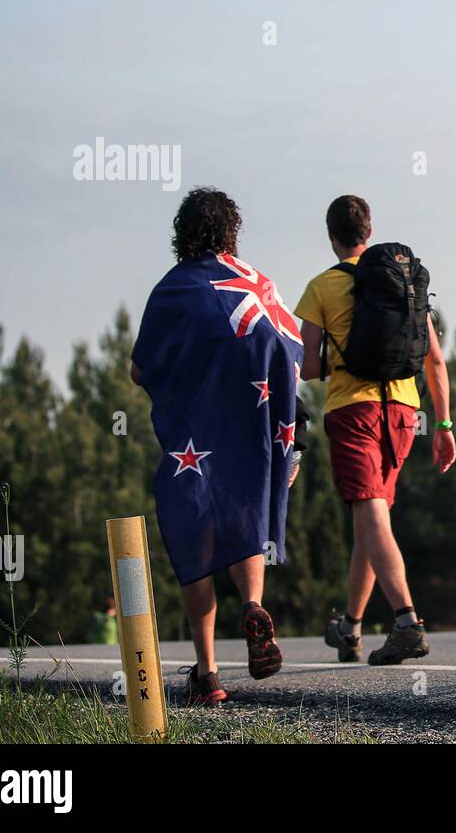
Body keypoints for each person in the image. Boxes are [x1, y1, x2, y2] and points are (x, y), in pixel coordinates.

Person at [132, 187, 305, 703]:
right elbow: (294, 357)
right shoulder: (260, 284)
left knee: (195, 543)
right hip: (255, 441)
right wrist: (287, 446)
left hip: (195, 449)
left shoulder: (175, 289)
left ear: (182, 234)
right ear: (232, 231)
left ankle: (208, 675)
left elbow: (140, 368)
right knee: (247, 528)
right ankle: (252, 604)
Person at [296, 195, 456, 666]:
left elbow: (308, 367)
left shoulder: (321, 286)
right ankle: (350, 627)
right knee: (373, 516)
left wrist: (339, 352)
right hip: (405, 412)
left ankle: (406, 621)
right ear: (369, 230)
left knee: (370, 513)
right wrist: (444, 425)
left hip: (353, 410)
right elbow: (436, 360)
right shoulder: (401, 279)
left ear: (331, 237)